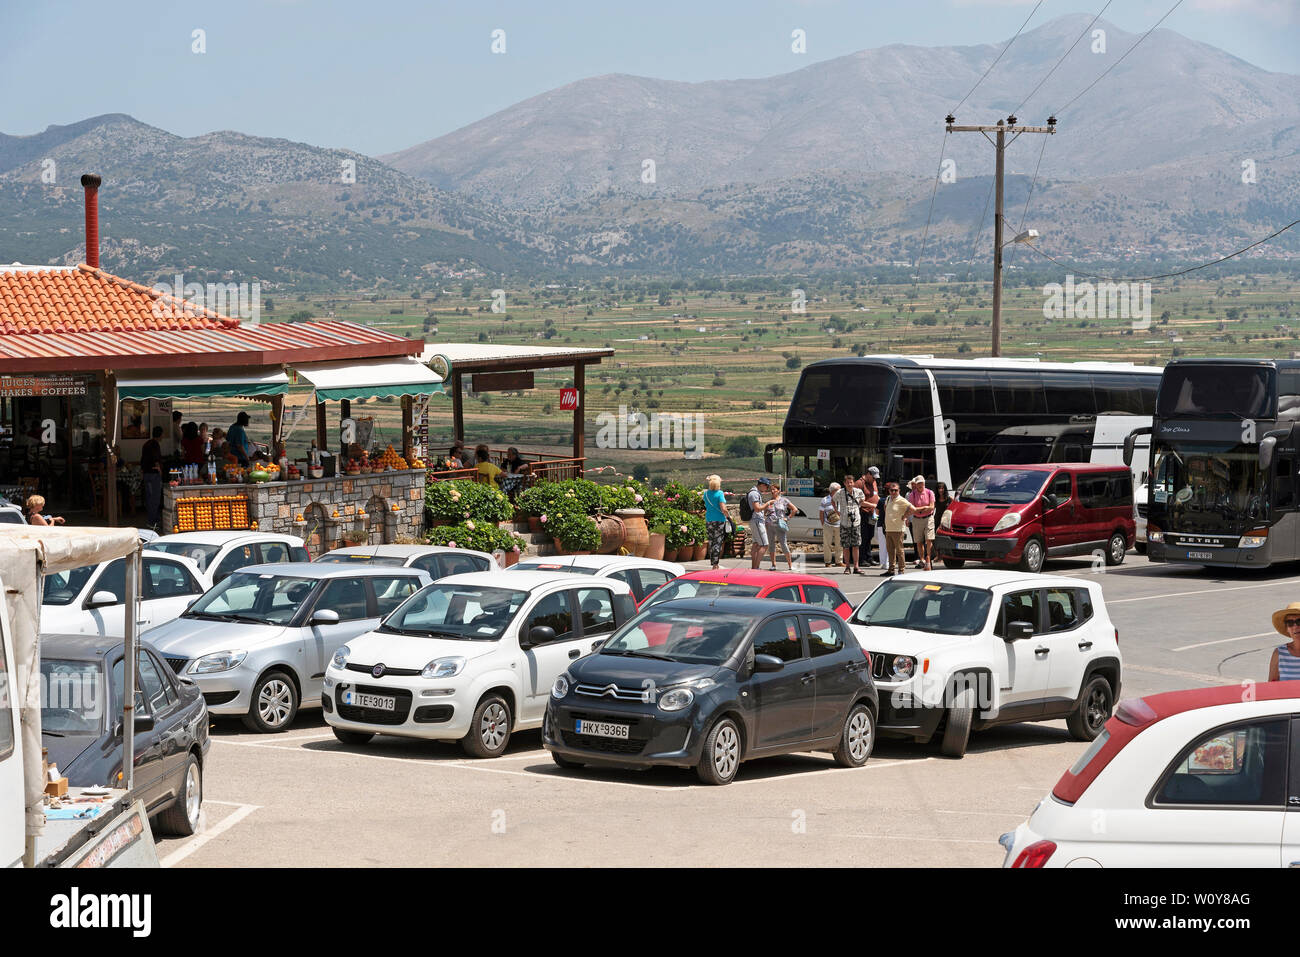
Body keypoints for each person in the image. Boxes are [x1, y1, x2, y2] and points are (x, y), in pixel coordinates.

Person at [765, 482, 802, 571]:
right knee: (771, 545)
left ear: (778, 491)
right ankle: (773, 565)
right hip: (769, 524)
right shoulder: (769, 501)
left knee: (783, 544)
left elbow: (795, 509)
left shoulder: (784, 500)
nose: (772, 491)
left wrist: (787, 518)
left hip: (780, 524)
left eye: (774, 489)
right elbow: (764, 512)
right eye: (771, 490)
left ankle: (790, 565)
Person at [882, 481, 918, 576]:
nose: (893, 492)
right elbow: (885, 508)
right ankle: (891, 570)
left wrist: (905, 516)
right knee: (890, 551)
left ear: (899, 490)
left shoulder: (901, 500)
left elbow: (913, 509)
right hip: (889, 529)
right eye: (891, 490)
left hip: (898, 529)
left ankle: (901, 570)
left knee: (899, 550)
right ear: (889, 491)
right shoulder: (888, 498)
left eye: (895, 490)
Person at [834, 474, 866, 574]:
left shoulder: (858, 491)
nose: (849, 484)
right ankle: (847, 567)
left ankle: (856, 567)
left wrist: (857, 508)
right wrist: (837, 511)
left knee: (856, 545)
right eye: (847, 482)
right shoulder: (840, 492)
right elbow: (833, 500)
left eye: (851, 482)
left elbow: (863, 500)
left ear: (854, 483)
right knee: (846, 546)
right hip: (844, 522)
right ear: (844, 483)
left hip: (856, 522)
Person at [907, 475, 937, 571]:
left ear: (924, 483)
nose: (920, 485)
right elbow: (912, 509)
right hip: (916, 519)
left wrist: (919, 509)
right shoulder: (912, 494)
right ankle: (922, 559)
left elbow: (931, 507)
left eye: (922, 483)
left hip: (928, 518)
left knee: (929, 539)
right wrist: (925, 508)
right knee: (919, 542)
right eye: (918, 483)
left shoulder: (930, 492)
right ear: (916, 484)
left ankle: (928, 558)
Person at [746, 477, 774, 569]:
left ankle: (754, 567)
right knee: (764, 545)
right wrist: (768, 503)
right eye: (767, 487)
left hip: (755, 520)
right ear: (762, 485)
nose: (767, 489)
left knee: (756, 544)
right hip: (757, 521)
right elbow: (757, 509)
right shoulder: (754, 494)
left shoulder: (754, 493)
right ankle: (756, 567)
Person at [1268, 602, 1300, 681]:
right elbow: (1272, 684)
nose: (1295, 626)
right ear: (1287, 629)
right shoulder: (1279, 653)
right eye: (1290, 623)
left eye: (1299, 621)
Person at [140, 425, 164, 529]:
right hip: (154, 474)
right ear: (160, 435)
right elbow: (156, 459)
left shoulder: (146, 444)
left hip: (146, 474)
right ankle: (153, 521)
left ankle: (152, 520)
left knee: (149, 498)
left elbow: (143, 460)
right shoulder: (155, 444)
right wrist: (160, 470)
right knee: (155, 499)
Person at [703, 474, 729, 570]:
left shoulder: (706, 494)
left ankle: (713, 562)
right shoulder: (720, 493)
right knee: (717, 542)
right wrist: (728, 516)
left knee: (711, 541)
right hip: (719, 520)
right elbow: (723, 508)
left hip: (709, 519)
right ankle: (715, 564)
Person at [820, 482, 843, 567]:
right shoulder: (825, 500)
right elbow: (821, 513)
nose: (840, 491)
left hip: (839, 524)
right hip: (828, 524)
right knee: (827, 544)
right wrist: (823, 524)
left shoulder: (841, 499)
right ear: (833, 491)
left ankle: (839, 561)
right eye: (838, 490)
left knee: (839, 544)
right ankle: (828, 562)